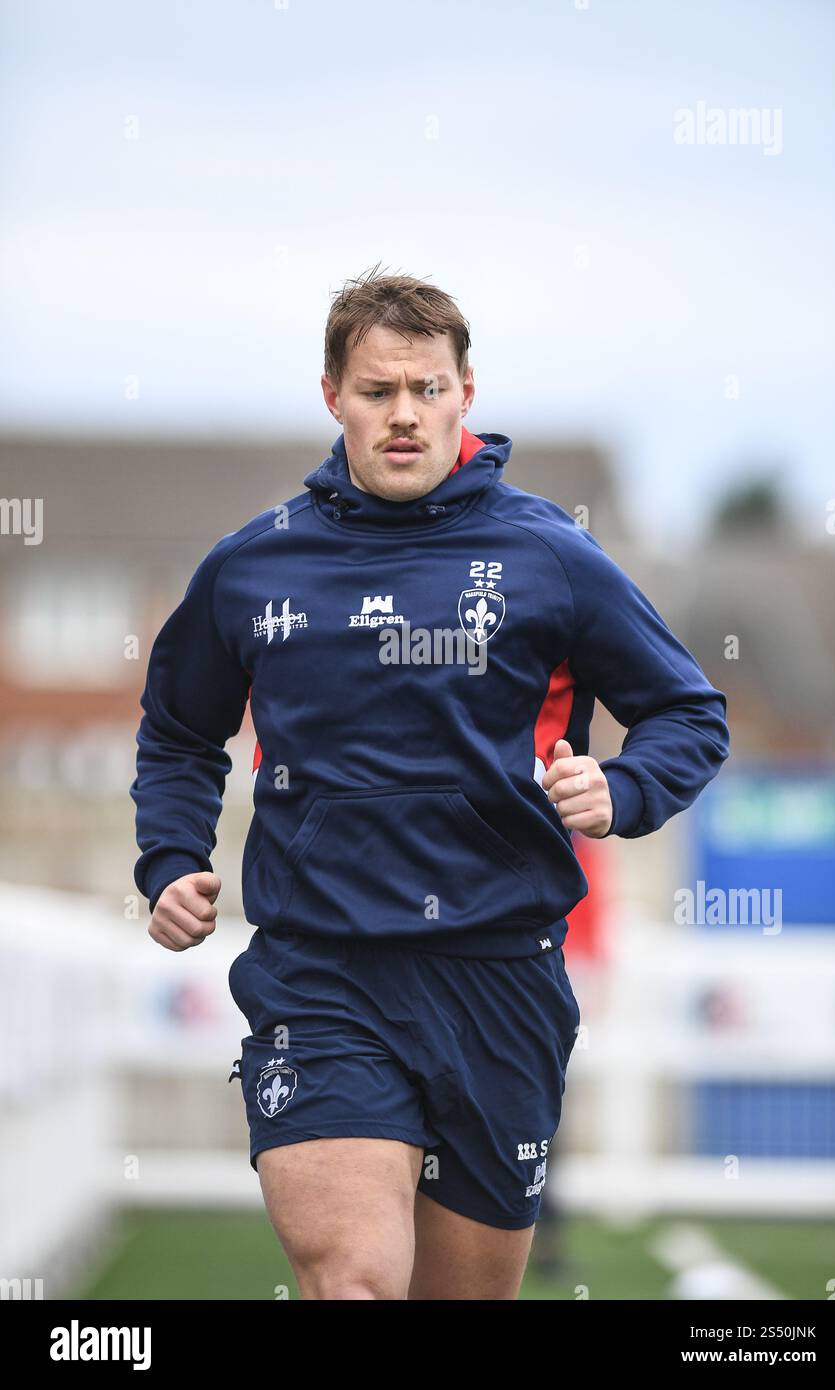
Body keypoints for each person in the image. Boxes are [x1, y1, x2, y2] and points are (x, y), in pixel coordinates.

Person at [130, 264, 730, 1300]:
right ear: (332, 397)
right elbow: (179, 733)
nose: (403, 415)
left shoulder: (551, 558)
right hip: (321, 974)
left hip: (498, 979)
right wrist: (171, 859)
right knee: (355, 1280)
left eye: (427, 389)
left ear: (464, 392)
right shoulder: (250, 568)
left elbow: (688, 712)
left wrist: (622, 791)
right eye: (377, 391)